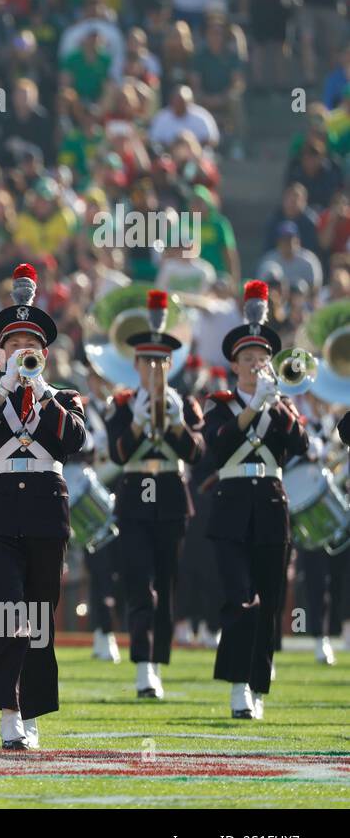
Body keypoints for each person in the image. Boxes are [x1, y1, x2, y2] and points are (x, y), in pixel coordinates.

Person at [0, 264, 87, 749]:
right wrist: (9, 387)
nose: (21, 354)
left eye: (29, 347)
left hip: (44, 511)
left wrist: (43, 395)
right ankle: (9, 709)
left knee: (37, 615)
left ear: (44, 353)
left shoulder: (66, 397)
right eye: (13, 347)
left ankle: (32, 710)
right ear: (0, 353)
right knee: (7, 608)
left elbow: (75, 440)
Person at [206, 281, 309, 719]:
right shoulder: (221, 405)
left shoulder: (280, 406)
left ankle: (257, 685)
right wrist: (253, 409)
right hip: (231, 507)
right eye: (248, 360)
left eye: (262, 360)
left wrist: (278, 404)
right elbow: (219, 445)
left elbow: (301, 444)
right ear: (235, 366)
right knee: (240, 598)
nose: (255, 367)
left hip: (270, 505)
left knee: (268, 601)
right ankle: (236, 685)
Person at [104, 290, 206, 699]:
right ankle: (143, 665)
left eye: (161, 361)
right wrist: (136, 422)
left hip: (168, 494)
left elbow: (196, 452)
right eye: (147, 361)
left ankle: (157, 661)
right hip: (134, 496)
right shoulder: (123, 404)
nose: (154, 367)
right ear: (135, 364)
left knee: (165, 582)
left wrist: (178, 424)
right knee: (138, 580)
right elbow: (117, 452)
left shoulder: (186, 403)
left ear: (171, 363)